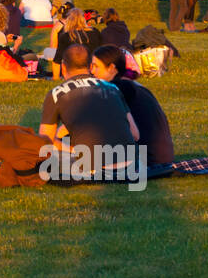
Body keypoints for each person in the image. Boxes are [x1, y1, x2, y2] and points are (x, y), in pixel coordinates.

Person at [39, 44, 139, 181]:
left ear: (63, 67)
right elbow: (135, 134)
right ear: (90, 67)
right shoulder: (112, 88)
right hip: (131, 164)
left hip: (91, 167)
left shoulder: (56, 94)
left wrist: (72, 150)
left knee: (44, 156)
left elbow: (45, 141)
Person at [91, 45, 174, 166]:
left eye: (96, 66)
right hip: (163, 157)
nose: (92, 71)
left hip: (145, 159)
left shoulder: (114, 89)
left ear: (111, 68)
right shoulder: (137, 88)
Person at [50, 9, 101, 79]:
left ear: (68, 20)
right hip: (92, 70)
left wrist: (55, 78)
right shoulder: (95, 32)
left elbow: (57, 61)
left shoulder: (66, 36)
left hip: (73, 71)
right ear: (83, 19)